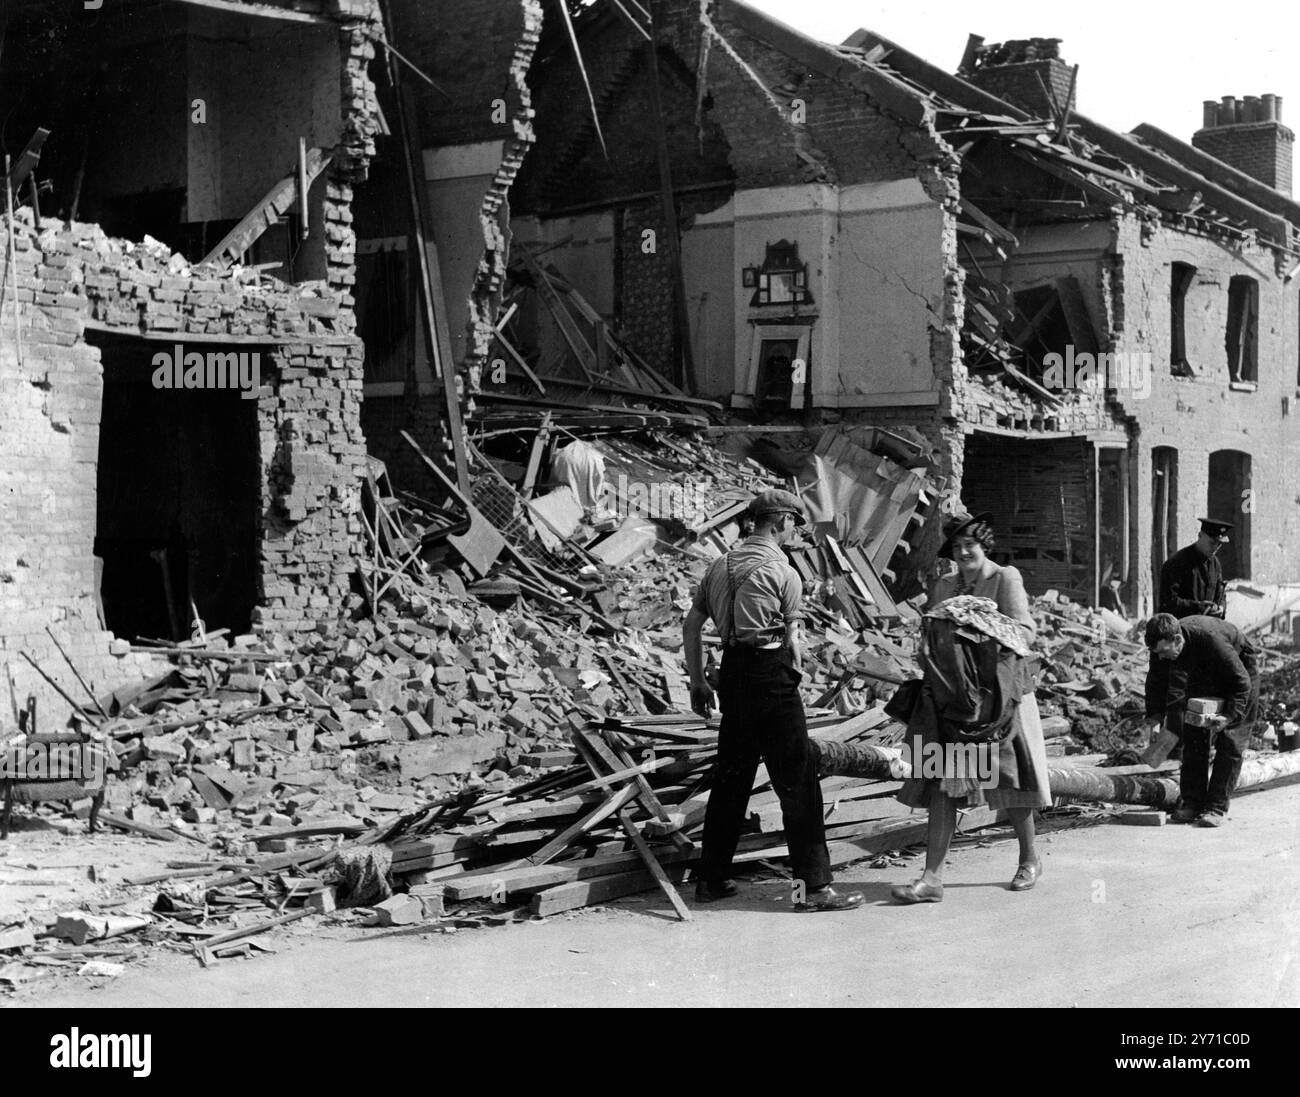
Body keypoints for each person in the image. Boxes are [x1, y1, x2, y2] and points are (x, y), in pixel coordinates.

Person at [682, 489, 863, 912]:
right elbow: (795, 646)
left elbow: (692, 627)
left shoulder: (717, 566)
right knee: (797, 780)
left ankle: (710, 881)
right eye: (793, 524)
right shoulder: (784, 573)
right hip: (770, 676)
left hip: (732, 677)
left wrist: (697, 683)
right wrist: (797, 667)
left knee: (730, 780)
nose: (793, 532)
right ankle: (813, 890)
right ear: (780, 522)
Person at [891, 511, 1052, 904]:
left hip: (1000, 695)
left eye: (970, 546)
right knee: (947, 780)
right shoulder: (944, 584)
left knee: (1008, 778)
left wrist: (982, 622)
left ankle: (1029, 858)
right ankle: (931, 879)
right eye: (957, 548)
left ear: (985, 546)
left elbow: (1026, 631)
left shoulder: (1005, 578)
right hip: (957, 697)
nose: (963, 553)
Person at [1144, 612, 1259, 827]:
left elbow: (1241, 682)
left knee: (1231, 739)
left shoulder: (1211, 639)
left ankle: (1216, 807)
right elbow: (1156, 680)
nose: (1161, 657)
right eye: (1157, 653)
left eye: (1164, 652)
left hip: (1241, 676)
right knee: (1194, 731)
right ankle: (1192, 803)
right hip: (1205, 674)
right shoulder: (1160, 646)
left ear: (1177, 640)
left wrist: (1229, 716)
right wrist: (1155, 716)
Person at [1158, 518, 1232, 619]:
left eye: (1219, 544)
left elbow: (1220, 594)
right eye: (1212, 542)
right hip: (1183, 627)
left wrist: (1221, 608)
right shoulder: (1177, 562)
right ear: (1200, 535)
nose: (1215, 547)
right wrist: (1199, 607)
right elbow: (1168, 603)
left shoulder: (1215, 564)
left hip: (1207, 626)